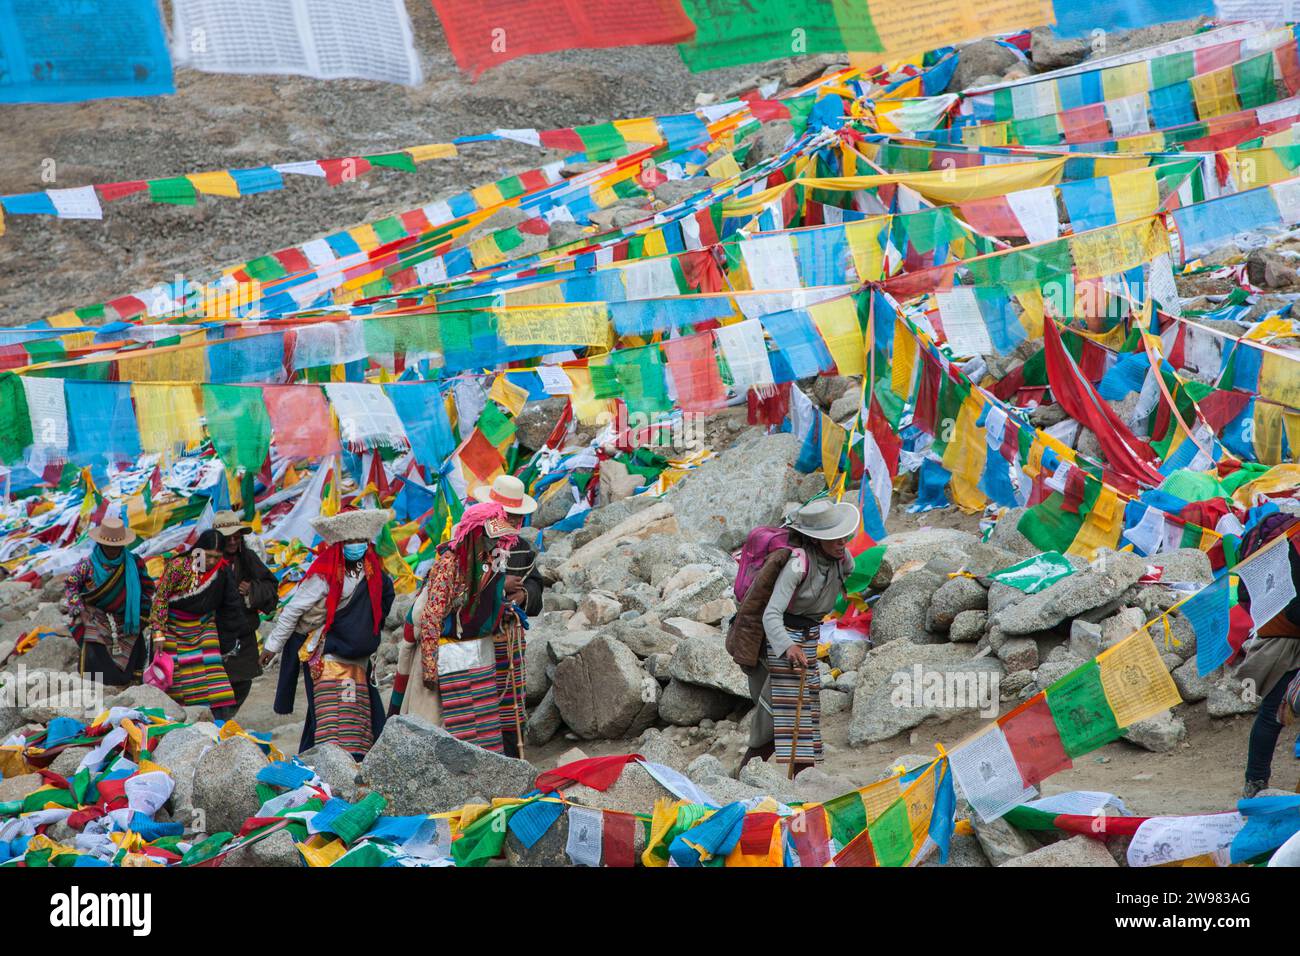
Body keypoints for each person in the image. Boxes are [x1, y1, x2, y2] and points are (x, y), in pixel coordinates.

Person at [390, 475, 542, 758]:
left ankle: (504, 764)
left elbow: (533, 585)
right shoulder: (458, 553)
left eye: (514, 517)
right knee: (443, 721)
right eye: (506, 516)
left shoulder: (516, 547)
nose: (509, 522)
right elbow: (434, 607)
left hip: (494, 645)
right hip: (451, 648)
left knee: (493, 718)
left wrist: (520, 597)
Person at [261, 509, 394, 759]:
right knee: (330, 718)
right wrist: (272, 646)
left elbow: (383, 605)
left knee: (360, 718)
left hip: (360, 659)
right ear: (341, 544)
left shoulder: (375, 573)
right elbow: (293, 611)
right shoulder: (325, 574)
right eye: (351, 542)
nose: (356, 546)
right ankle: (323, 767)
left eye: (361, 541)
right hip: (328, 657)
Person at [739, 499, 858, 776]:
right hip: (782, 638)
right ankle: (749, 771)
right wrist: (788, 646)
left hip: (809, 637)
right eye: (834, 538)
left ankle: (800, 777)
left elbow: (847, 576)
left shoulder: (844, 560)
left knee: (803, 710)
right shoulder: (796, 565)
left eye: (843, 537)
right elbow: (771, 615)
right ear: (817, 541)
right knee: (783, 709)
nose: (841, 543)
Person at [1231, 513, 1300, 798]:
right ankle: (1256, 782)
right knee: (1274, 713)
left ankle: (1255, 783)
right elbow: (1295, 608)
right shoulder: (1295, 546)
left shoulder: (1290, 539)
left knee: (1272, 713)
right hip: (1287, 637)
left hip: (1276, 633)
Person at [147, 529, 245, 718]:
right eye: (207, 556)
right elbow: (160, 599)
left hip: (204, 628)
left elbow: (230, 606)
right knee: (174, 679)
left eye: (216, 557)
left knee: (214, 679)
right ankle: (175, 718)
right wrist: (158, 632)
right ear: (197, 551)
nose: (211, 562)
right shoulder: (178, 567)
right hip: (173, 629)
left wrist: (228, 641)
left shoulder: (222, 572)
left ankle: (217, 720)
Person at [63, 515, 155, 687]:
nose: (113, 550)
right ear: (100, 543)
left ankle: (130, 681)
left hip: (126, 615)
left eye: (117, 546)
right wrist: (80, 611)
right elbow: (71, 584)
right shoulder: (87, 564)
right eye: (109, 546)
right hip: (95, 614)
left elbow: (148, 588)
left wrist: (139, 612)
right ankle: (97, 683)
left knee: (135, 637)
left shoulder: (134, 563)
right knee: (92, 637)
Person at [213, 511, 279, 715]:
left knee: (242, 684)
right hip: (215, 635)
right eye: (228, 537)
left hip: (243, 634)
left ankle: (225, 721)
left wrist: (252, 590)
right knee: (216, 686)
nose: (233, 541)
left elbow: (270, 585)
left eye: (237, 536)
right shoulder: (206, 560)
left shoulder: (247, 557)